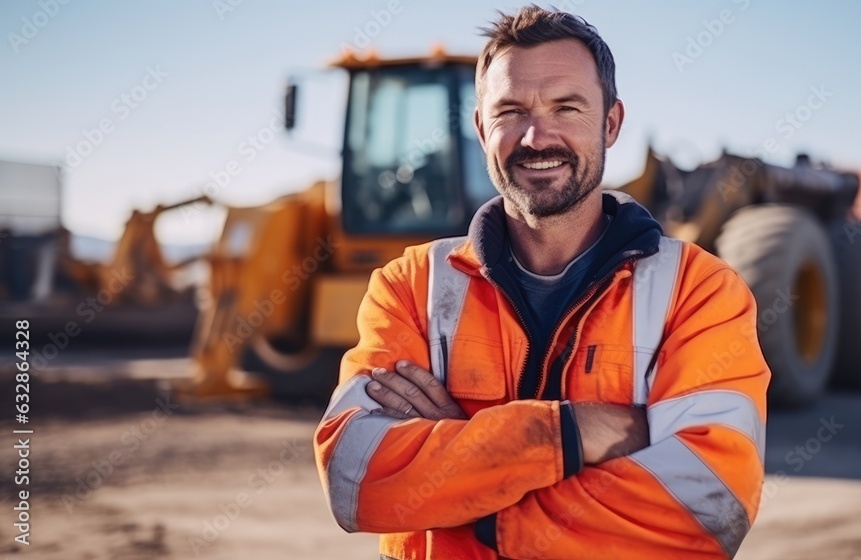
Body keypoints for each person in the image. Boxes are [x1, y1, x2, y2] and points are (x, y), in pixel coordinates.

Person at [315, 5, 770, 559]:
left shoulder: (697, 292)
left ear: (611, 124)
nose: (536, 137)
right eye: (510, 111)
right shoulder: (411, 286)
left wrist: (471, 489)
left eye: (566, 107)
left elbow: (708, 505)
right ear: (481, 128)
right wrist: (573, 433)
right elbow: (356, 477)